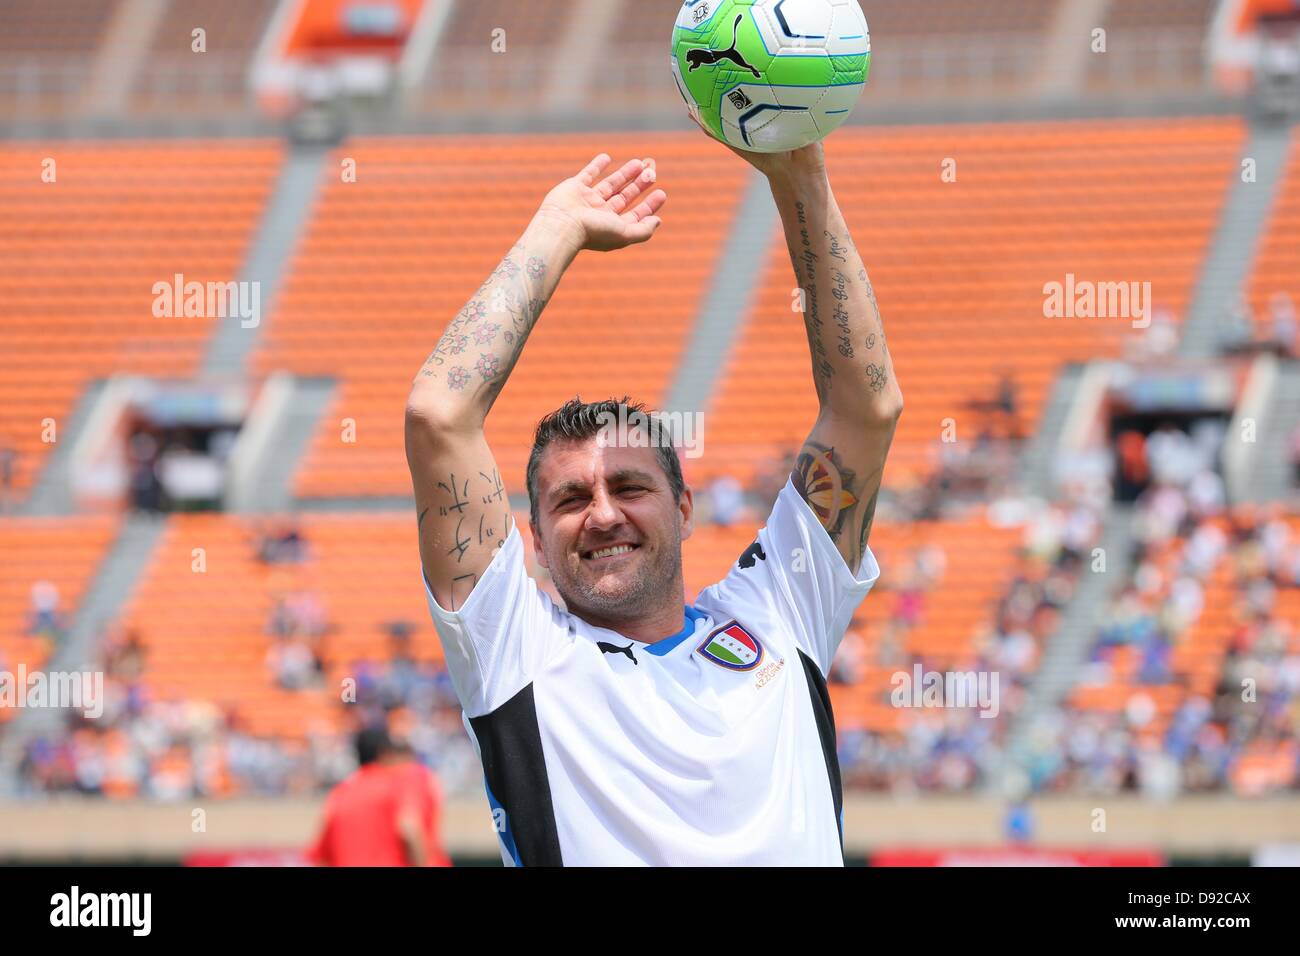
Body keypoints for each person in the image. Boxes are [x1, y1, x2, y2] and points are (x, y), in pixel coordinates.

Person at [404, 143, 902, 866]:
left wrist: (800, 175)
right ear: (536, 543)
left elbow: (868, 407)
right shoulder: (518, 652)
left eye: (630, 487)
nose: (604, 514)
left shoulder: (779, 611)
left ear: (685, 509)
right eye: (571, 499)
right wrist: (558, 225)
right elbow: (437, 415)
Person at [306, 726, 449, 867]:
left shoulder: (340, 793)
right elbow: (409, 827)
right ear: (384, 753)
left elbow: (322, 858)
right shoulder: (400, 780)